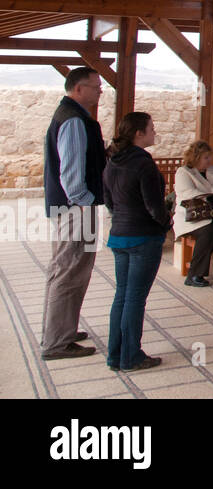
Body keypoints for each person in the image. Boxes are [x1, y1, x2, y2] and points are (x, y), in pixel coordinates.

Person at [41, 66, 106, 361]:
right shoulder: (74, 121)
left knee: (70, 269)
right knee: (69, 271)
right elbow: (71, 174)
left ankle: (62, 330)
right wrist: (87, 201)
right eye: (96, 87)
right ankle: (56, 342)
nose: (100, 91)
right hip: (76, 208)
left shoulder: (71, 115)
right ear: (78, 89)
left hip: (72, 207)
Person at [103, 112, 169, 372]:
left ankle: (115, 354)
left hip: (119, 234)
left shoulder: (112, 162)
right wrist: (167, 222)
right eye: (151, 128)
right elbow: (154, 205)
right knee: (135, 298)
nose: (154, 132)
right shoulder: (143, 163)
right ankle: (131, 355)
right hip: (142, 237)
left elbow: (109, 201)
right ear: (138, 133)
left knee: (122, 295)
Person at [173, 141, 213, 286]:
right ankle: (195, 274)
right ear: (196, 157)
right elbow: (187, 192)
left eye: (209, 157)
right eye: (206, 157)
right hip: (193, 215)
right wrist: (212, 197)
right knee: (209, 230)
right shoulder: (184, 172)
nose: (209, 160)